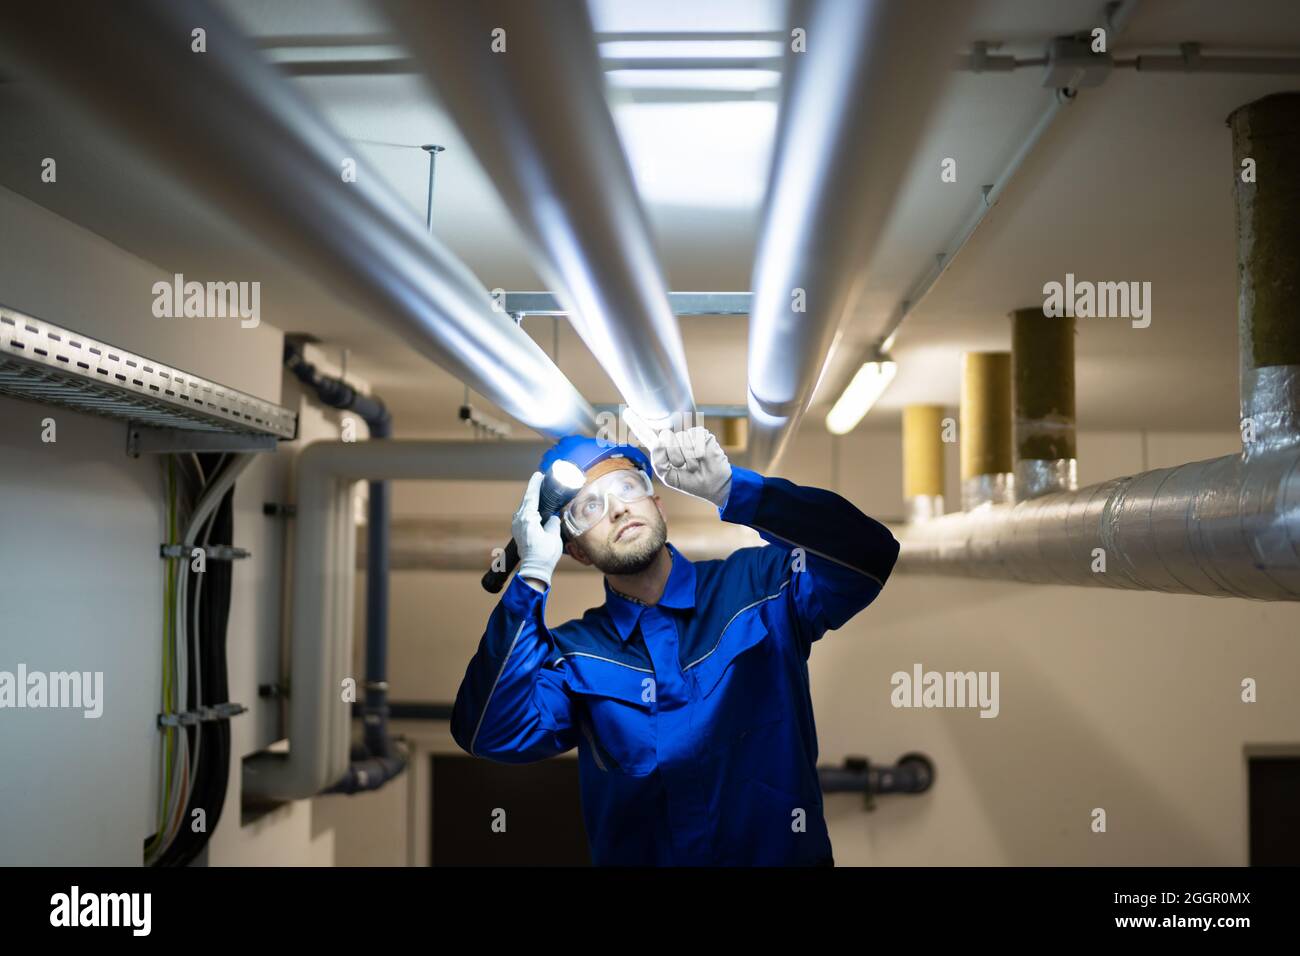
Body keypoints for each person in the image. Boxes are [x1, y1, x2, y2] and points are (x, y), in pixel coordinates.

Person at [450, 422, 900, 865]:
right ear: (577, 551)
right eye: (588, 509)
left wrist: (733, 490)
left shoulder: (760, 587)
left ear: (658, 505)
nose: (617, 510)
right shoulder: (574, 657)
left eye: (627, 487)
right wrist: (531, 576)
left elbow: (869, 556)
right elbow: (488, 731)